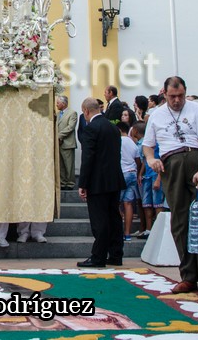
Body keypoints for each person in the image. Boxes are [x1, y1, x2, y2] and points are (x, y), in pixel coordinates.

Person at [143, 76, 198, 294]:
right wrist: (151, 160)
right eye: (172, 96)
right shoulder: (156, 115)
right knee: (180, 221)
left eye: (180, 96)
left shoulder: (197, 110)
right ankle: (188, 275)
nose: (177, 100)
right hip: (171, 165)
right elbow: (147, 146)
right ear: (164, 94)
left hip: (194, 160)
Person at [76, 97, 125, 268]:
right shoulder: (113, 128)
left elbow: (87, 158)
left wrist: (83, 183)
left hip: (97, 182)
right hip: (114, 179)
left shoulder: (91, 129)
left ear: (86, 111)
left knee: (100, 220)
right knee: (114, 218)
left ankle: (98, 257)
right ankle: (116, 254)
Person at [131, 122, 162, 235]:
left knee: (157, 203)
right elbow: (145, 159)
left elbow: (162, 159)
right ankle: (148, 229)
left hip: (155, 174)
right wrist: (141, 173)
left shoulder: (158, 143)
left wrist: (159, 177)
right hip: (147, 175)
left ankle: (158, 230)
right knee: (147, 203)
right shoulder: (144, 144)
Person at [117, 121, 142, 242]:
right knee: (128, 204)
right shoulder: (132, 143)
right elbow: (138, 159)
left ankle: (117, 231)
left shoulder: (118, 141)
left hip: (121, 173)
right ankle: (127, 233)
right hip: (132, 172)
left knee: (116, 203)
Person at [56, 95, 78, 190]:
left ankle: (70, 183)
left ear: (63, 103)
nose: (56, 104)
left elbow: (70, 127)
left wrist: (59, 136)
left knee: (69, 165)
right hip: (58, 143)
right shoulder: (57, 114)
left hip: (67, 143)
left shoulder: (72, 113)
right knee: (61, 165)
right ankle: (62, 182)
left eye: (58, 103)